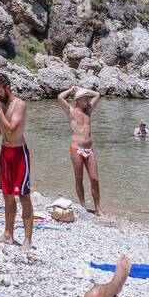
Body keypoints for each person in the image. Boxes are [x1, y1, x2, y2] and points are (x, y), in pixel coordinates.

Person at [0, 72, 33, 249]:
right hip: (5, 153)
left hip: (19, 154)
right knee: (7, 195)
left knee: (23, 196)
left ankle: (27, 239)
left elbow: (12, 128)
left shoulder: (19, 104)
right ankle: (8, 234)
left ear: (7, 88)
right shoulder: (2, 104)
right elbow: (0, 126)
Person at [57, 85, 103, 215]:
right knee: (79, 178)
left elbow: (97, 95)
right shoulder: (71, 111)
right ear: (78, 100)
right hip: (76, 149)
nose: (88, 100)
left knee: (95, 179)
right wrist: (71, 90)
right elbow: (60, 97)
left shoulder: (88, 110)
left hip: (89, 150)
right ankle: (83, 206)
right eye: (85, 98)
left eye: (88, 98)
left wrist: (84, 89)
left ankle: (98, 208)